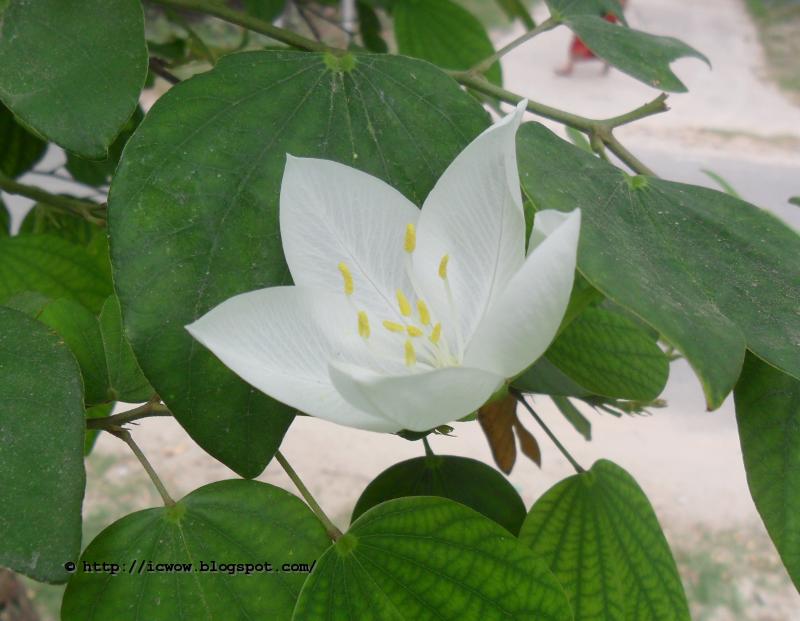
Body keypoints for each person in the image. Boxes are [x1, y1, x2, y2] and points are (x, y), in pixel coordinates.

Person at [556, 1, 628, 76]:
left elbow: (622, 4)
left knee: (603, 39)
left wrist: (619, 8)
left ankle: (606, 61)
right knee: (581, 35)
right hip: (591, 9)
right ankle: (570, 65)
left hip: (607, 12)